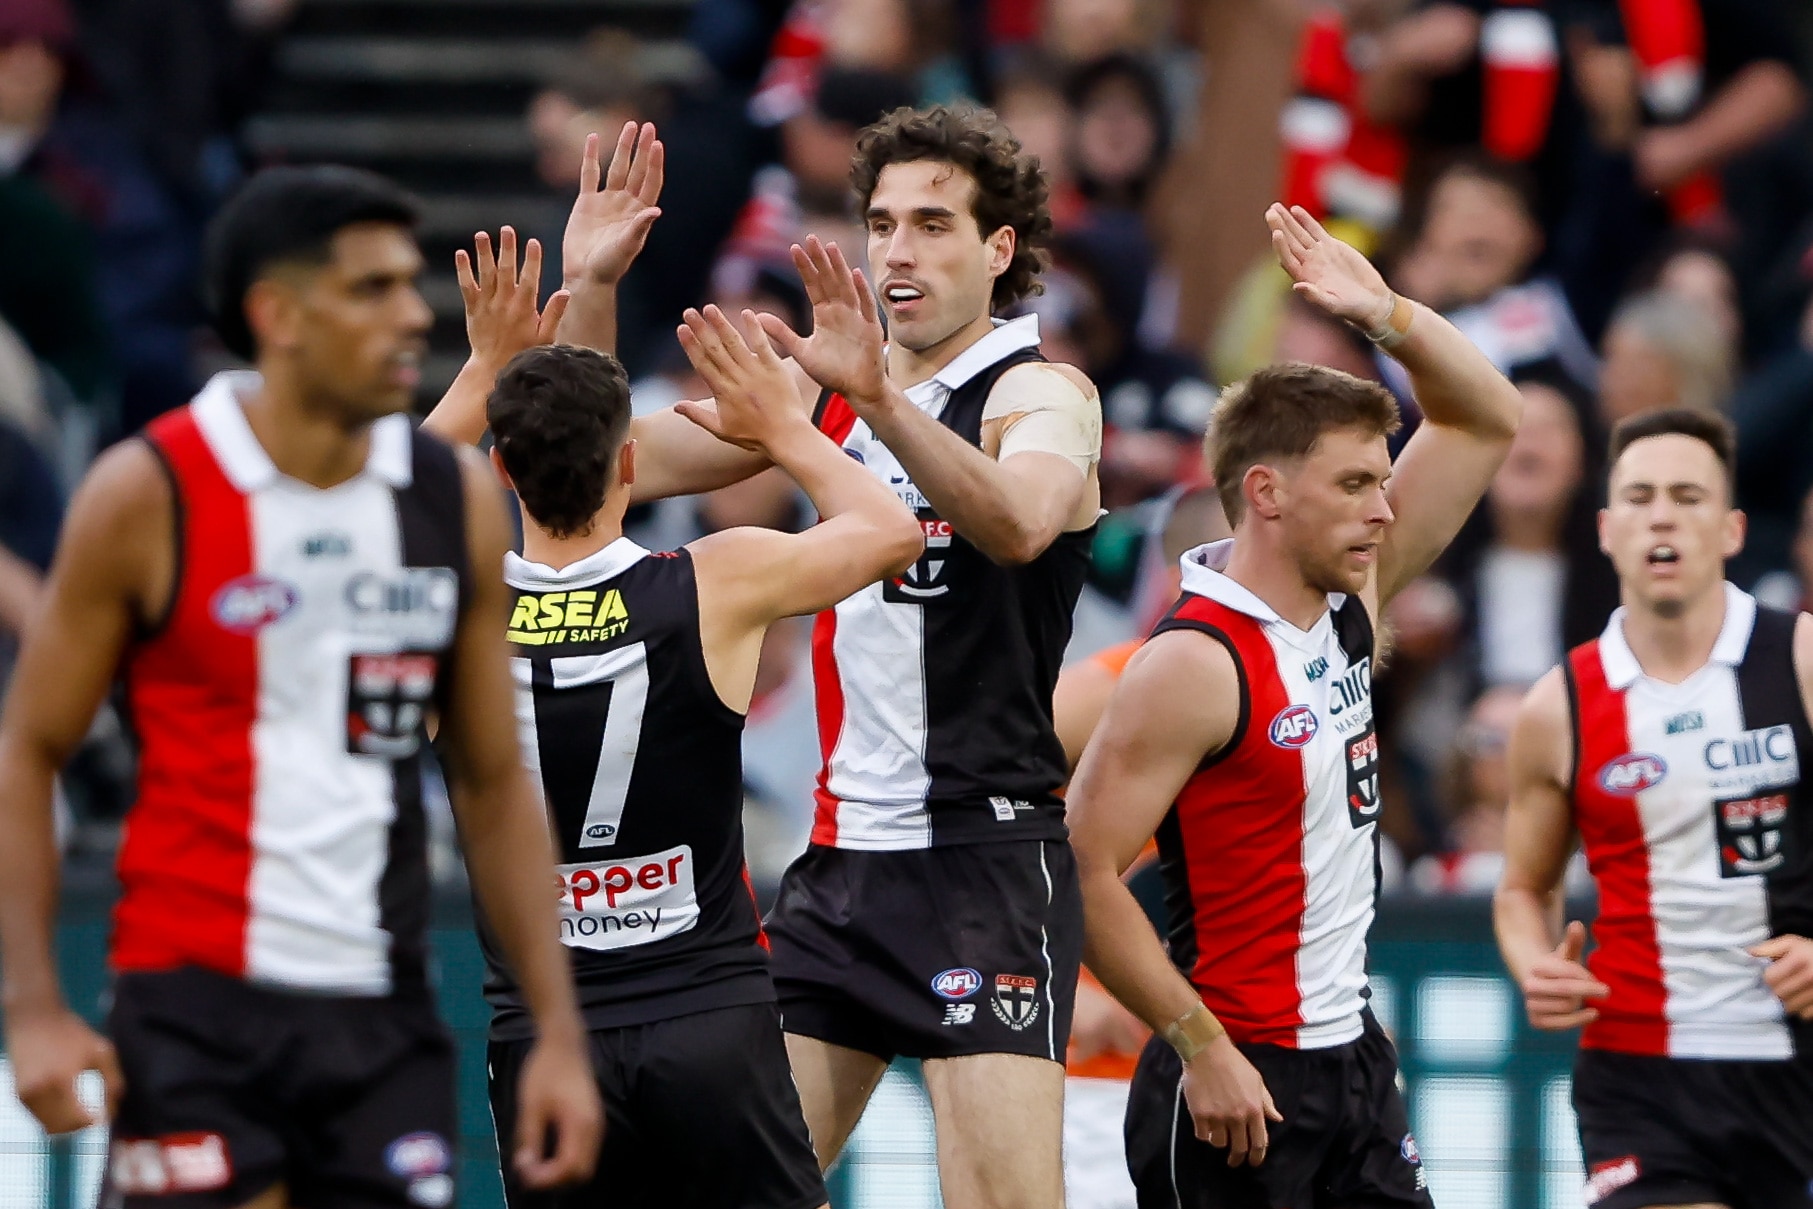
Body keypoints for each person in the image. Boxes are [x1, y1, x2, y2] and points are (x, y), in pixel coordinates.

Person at [0, 165, 602, 1207]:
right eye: (370, 289)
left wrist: (558, 1031)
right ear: (276, 315)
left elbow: (495, 780)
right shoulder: (148, 491)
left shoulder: (445, 493)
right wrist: (34, 1007)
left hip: (385, 1011)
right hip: (192, 1005)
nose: (414, 315)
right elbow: (27, 749)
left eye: (408, 284)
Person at [572, 107, 1103, 1207]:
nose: (898, 251)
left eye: (933, 224)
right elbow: (587, 470)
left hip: (986, 868)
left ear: (999, 249)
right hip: (840, 870)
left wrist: (860, 406)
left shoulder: (1041, 393)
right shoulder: (820, 395)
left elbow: (1017, 521)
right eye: (881, 223)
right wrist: (589, 286)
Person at [429, 210, 921, 1206]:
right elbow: (888, 531)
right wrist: (789, 427)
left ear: (502, 470)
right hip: (708, 1020)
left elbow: (351, 521)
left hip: (545, 1034)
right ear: (628, 469)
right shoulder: (712, 581)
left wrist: (483, 372)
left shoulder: (451, 606)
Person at [1065, 202, 1521, 1200]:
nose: (1384, 505)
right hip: (1234, 1081)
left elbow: (1487, 416)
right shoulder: (1191, 662)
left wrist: (1387, 315)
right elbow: (1084, 865)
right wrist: (1198, 1046)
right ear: (1266, 492)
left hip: (1351, 1062)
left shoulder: (1346, 599)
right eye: (1356, 481)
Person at [1494, 407, 1813, 1209]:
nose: (1661, 515)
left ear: (1732, 528)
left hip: (1795, 1060)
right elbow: (1520, 888)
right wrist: (1534, 963)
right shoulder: (1557, 705)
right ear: (1604, 528)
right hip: (1638, 1076)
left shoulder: (1801, 658)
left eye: (1686, 495)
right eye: (1638, 496)